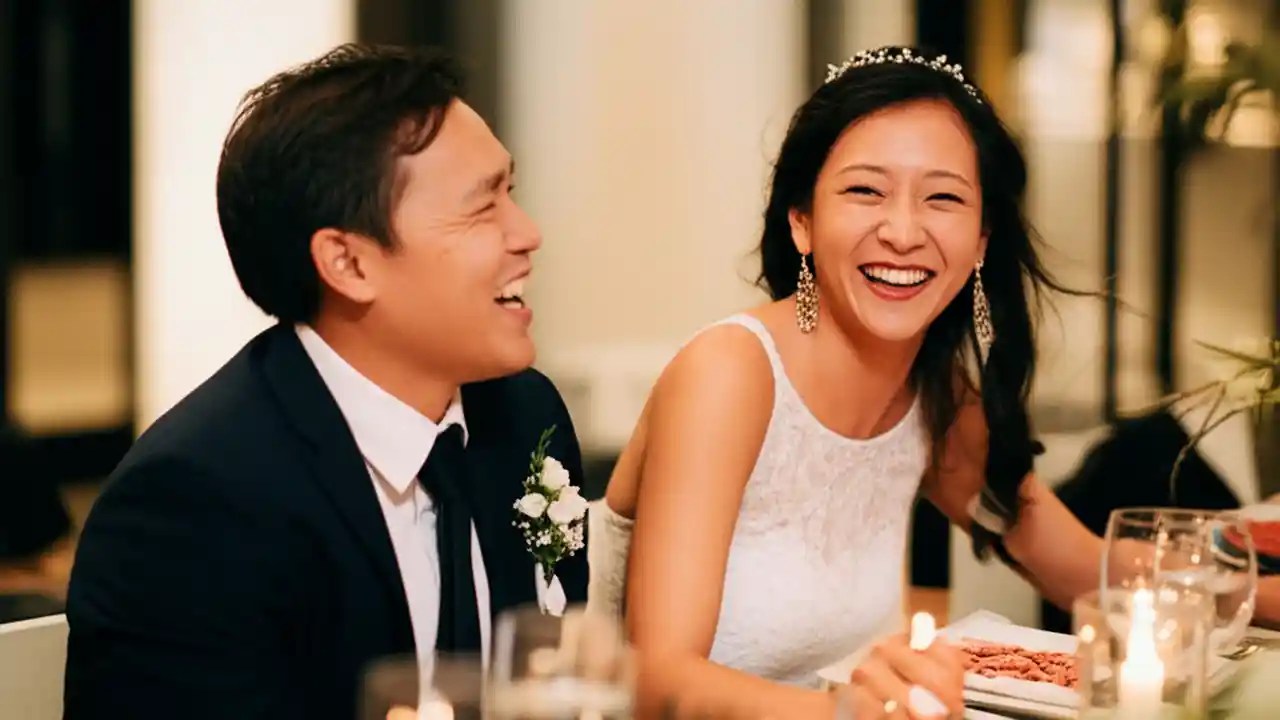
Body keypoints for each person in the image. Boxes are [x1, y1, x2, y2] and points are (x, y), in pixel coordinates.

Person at [63, 44, 588, 719]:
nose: (527, 233)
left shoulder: (523, 416)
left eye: (510, 192)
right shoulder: (196, 504)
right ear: (348, 263)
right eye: (482, 207)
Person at [590, 46, 1113, 719]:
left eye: (943, 198)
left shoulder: (938, 399)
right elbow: (656, 681)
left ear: (981, 240)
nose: (903, 232)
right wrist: (848, 713)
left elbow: (1086, 572)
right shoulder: (728, 375)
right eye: (866, 191)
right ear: (802, 221)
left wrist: (1231, 574)